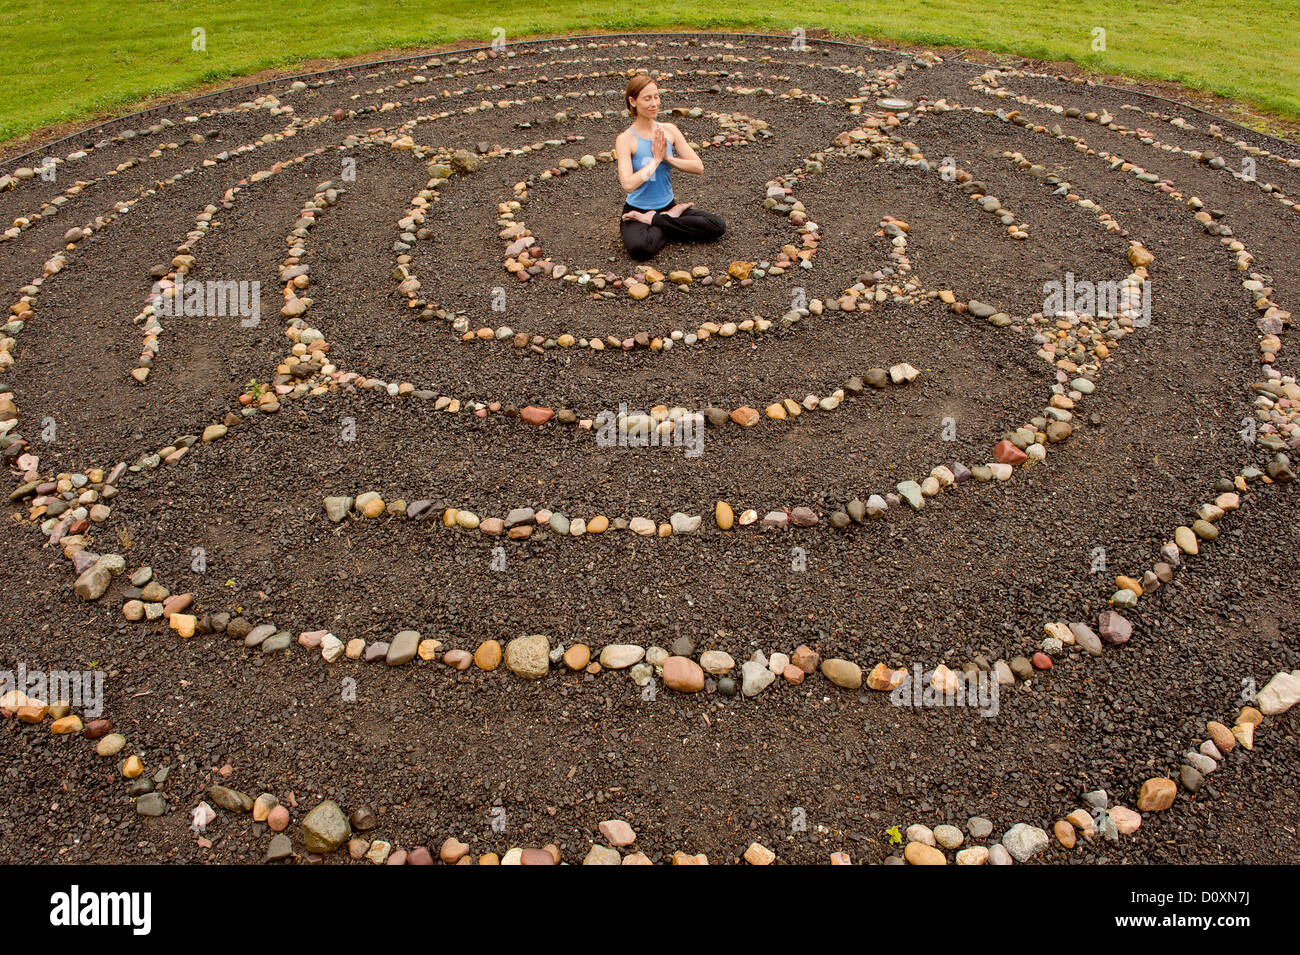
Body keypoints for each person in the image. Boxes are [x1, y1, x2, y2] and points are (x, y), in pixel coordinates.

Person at [616, 75, 726, 261]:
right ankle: (671, 222)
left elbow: (698, 167)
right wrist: (655, 161)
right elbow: (627, 184)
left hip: (668, 206)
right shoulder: (626, 139)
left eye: (656, 97)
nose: (654, 103)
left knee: (717, 225)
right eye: (647, 98)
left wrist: (668, 158)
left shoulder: (669, 130)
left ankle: (659, 221)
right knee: (639, 249)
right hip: (636, 211)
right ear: (633, 101)